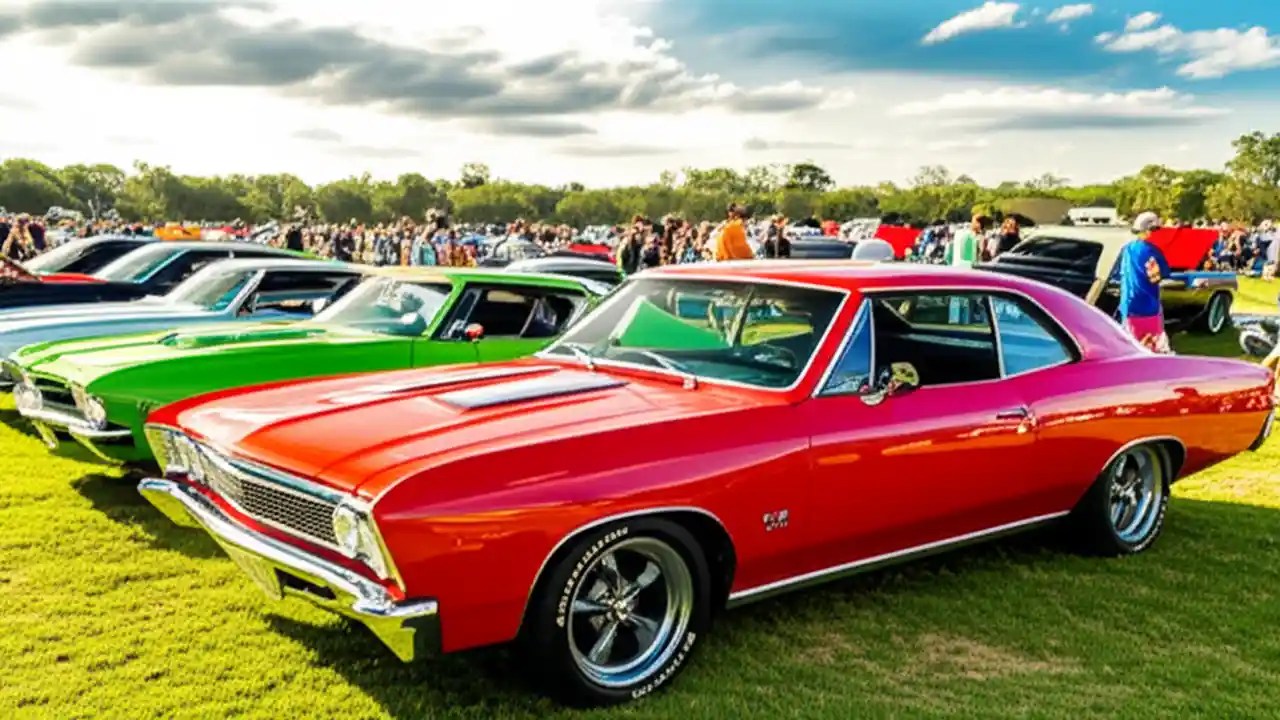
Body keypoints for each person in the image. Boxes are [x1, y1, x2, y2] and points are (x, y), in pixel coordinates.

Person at [1117, 211, 1172, 353]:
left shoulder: (1127, 249)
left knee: (1130, 347)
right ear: (1149, 230)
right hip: (1148, 307)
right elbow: (1161, 274)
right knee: (1154, 346)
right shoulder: (1152, 251)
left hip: (1128, 306)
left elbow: (1120, 273)